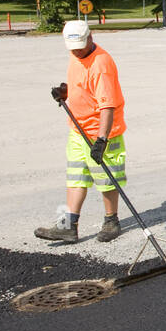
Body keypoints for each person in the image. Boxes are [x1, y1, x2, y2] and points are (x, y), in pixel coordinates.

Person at [34, 20, 126, 243]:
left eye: (80, 47)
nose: (76, 51)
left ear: (91, 37)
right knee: (76, 177)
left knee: (106, 178)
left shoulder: (101, 65)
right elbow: (82, 86)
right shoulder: (75, 55)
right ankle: (69, 225)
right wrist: (65, 92)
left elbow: (107, 106)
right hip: (77, 129)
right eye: (72, 48)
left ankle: (111, 220)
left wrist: (101, 140)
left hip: (102, 132)